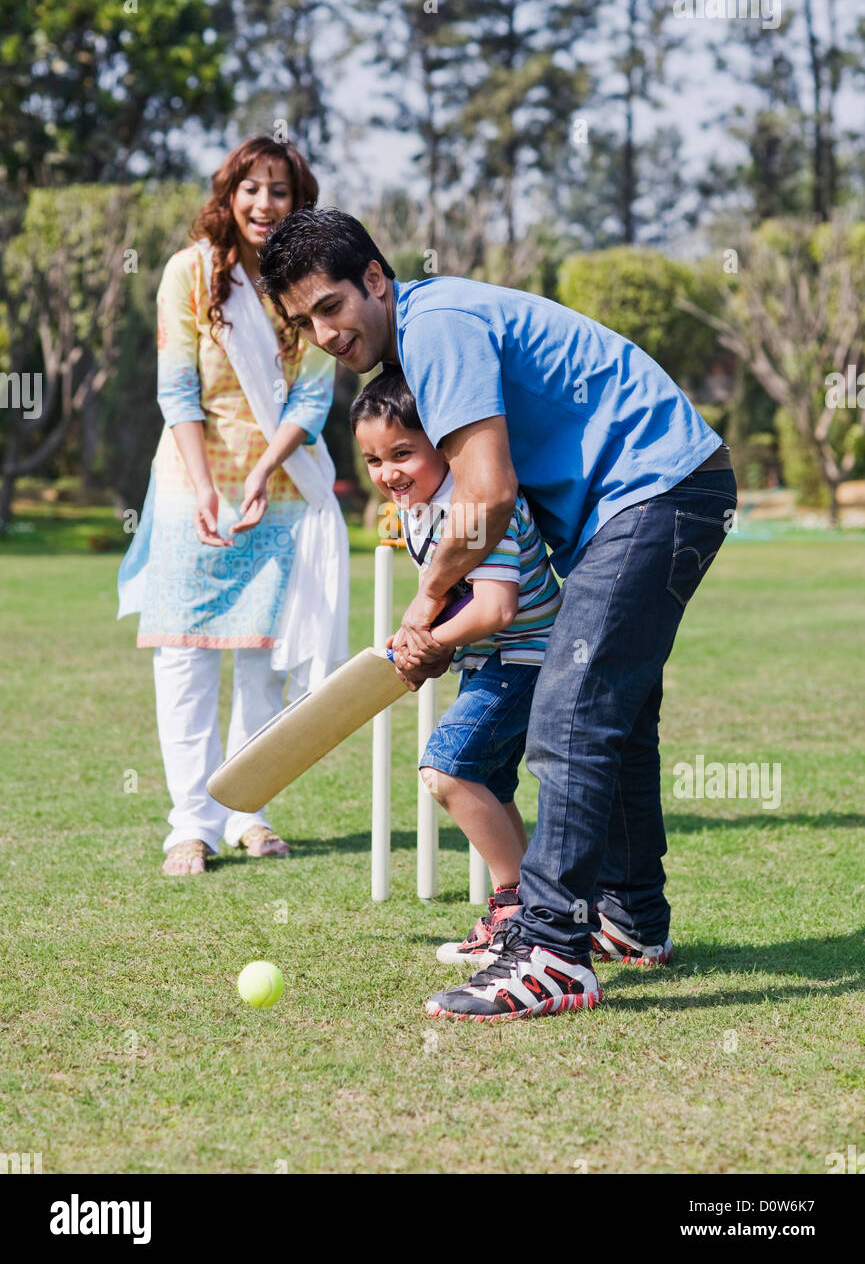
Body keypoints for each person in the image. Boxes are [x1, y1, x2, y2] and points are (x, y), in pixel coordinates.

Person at [259, 207, 737, 1023]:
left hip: (654, 490)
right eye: (304, 322)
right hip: (645, 496)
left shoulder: (435, 329)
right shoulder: (430, 326)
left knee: (572, 711)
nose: (325, 334)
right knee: (618, 715)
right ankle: (632, 919)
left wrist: (423, 602)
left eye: (330, 306)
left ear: (375, 279)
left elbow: (485, 495)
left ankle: (551, 949)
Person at [118, 140, 347, 877]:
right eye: (251, 188)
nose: (264, 204)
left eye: (280, 191)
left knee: (260, 664)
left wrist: (262, 472)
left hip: (279, 492)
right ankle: (191, 824)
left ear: (296, 202)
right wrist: (209, 486)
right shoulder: (190, 274)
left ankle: (249, 811)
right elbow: (176, 391)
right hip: (194, 487)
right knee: (184, 657)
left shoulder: (304, 282)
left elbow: (314, 396)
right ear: (229, 194)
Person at [351, 369, 561, 966]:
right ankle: (538, 914)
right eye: (372, 459)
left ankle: (516, 908)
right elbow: (449, 597)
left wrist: (431, 643)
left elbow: (497, 607)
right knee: (489, 785)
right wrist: (421, 640)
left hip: (526, 656)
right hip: (496, 658)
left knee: (446, 770)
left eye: (402, 453)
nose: (388, 472)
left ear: (443, 445)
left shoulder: (473, 508)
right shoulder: (422, 509)